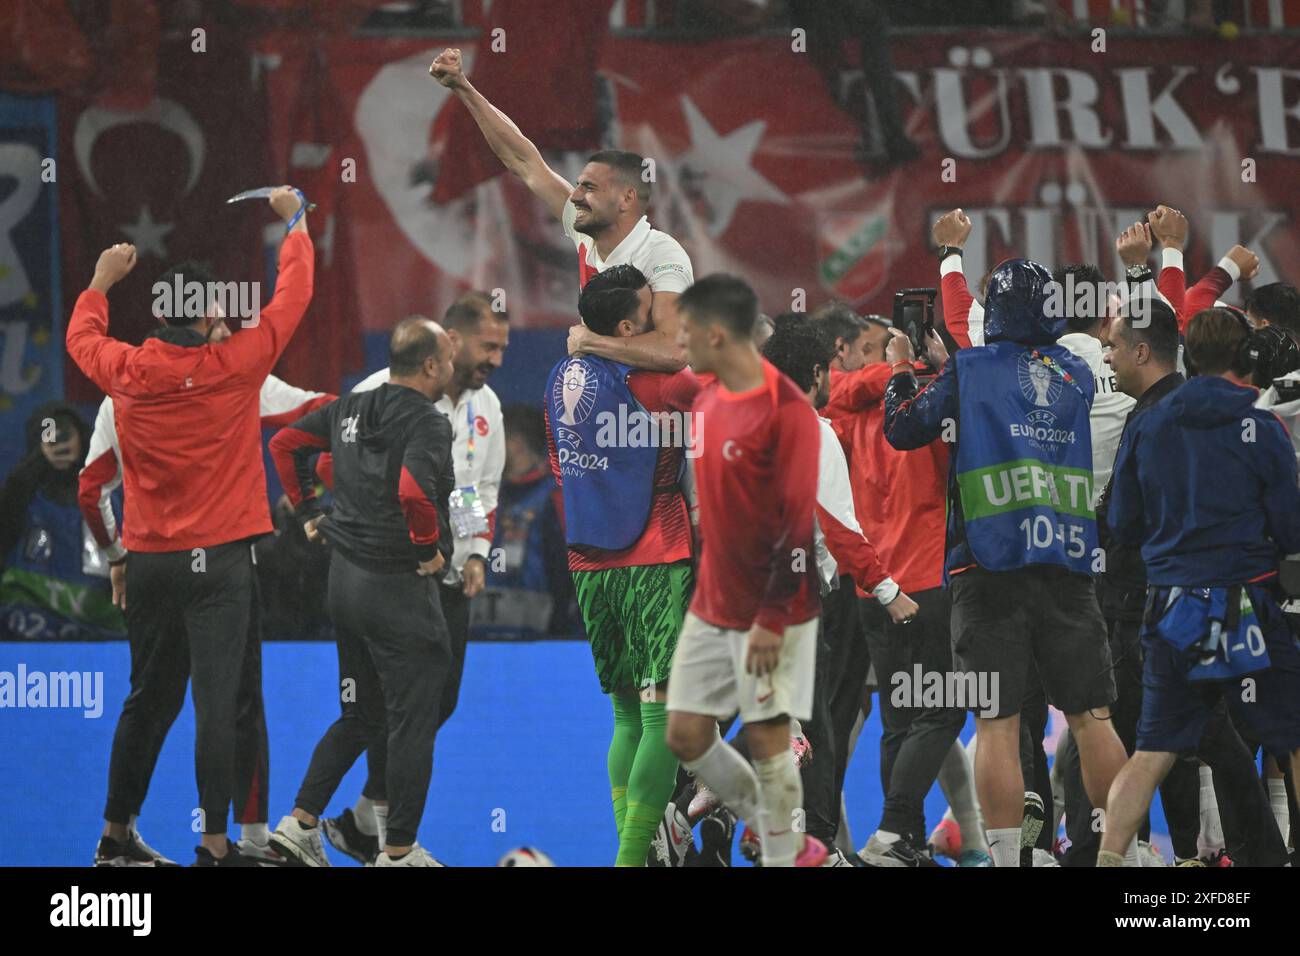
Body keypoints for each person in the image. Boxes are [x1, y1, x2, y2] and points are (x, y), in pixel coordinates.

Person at [65, 187, 314, 865]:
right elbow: (292, 294)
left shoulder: (125, 372)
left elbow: (80, 337)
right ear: (205, 318)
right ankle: (211, 844)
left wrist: (99, 282)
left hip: (147, 564)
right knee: (216, 704)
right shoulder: (236, 368)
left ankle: (114, 838)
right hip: (219, 567)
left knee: (146, 700)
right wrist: (293, 221)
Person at [884, 257, 1128, 867]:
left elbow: (904, 429)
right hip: (1070, 566)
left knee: (996, 722)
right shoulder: (1076, 370)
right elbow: (1018, 393)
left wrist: (900, 373)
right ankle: (1125, 854)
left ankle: (1007, 857)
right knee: (1092, 716)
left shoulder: (969, 370)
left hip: (986, 568)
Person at [1099, 308, 1300, 866]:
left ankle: (1108, 861)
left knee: (1151, 752)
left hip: (1170, 610)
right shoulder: (1260, 427)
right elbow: (1290, 527)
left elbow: (1122, 522)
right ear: (1244, 358)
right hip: (1246, 606)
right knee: (1292, 738)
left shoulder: (1149, 422)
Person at [321, 291, 508, 864]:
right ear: (449, 343)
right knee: (391, 707)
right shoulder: (373, 396)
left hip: (447, 580)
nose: (497, 359)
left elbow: (478, 486)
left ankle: (360, 824)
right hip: (386, 578)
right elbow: (334, 468)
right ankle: (388, 842)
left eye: (502, 348)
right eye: (488, 346)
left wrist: (475, 552)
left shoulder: (487, 407)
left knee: (433, 706)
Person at [267, 317, 458, 867]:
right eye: (447, 357)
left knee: (360, 713)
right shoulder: (428, 421)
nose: (452, 364)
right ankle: (398, 853)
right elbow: (413, 491)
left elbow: (284, 444)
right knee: (412, 722)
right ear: (430, 366)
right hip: (398, 589)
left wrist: (307, 512)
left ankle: (300, 824)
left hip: (344, 587)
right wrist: (427, 551)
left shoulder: (351, 406)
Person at [663, 274, 827, 868]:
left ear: (715, 333)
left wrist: (769, 618)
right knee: (684, 734)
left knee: (767, 739)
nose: (677, 344)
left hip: (772, 610)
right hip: (713, 605)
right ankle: (775, 829)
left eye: (684, 333)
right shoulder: (706, 400)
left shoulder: (787, 412)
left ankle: (782, 853)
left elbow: (795, 530)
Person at [544, 264, 699, 866]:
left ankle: (630, 852)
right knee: (664, 714)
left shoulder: (560, 376)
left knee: (625, 714)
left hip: (586, 563)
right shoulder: (659, 384)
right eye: (655, 310)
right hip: (653, 557)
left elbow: (561, 468)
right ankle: (633, 860)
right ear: (631, 325)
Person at [760, 317, 917, 866]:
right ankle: (817, 846)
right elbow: (838, 526)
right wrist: (887, 588)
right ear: (813, 373)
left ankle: (714, 818)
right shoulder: (813, 428)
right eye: (828, 368)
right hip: (797, 600)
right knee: (815, 729)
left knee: (768, 721)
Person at [428, 47, 693, 369]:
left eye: (590, 188)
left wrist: (592, 343)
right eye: (579, 184)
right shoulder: (587, 235)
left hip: (653, 417)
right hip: (610, 405)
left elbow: (674, 351)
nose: (576, 195)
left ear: (627, 199)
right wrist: (463, 88)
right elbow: (523, 161)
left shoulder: (661, 254)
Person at [0, 402, 121, 641]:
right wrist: (38, 459)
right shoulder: (19, 496)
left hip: (99, 640)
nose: (57, 440)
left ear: (82, 437)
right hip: (22, 640)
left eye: (65, 432)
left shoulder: (106, 498)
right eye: (48, 433)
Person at [472, 403, 573, 640]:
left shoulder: (557, 496)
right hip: (478, 641)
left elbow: (567, 570)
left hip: (543, 643)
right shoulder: (480, 494)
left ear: (515, 443)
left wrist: (561, 631)